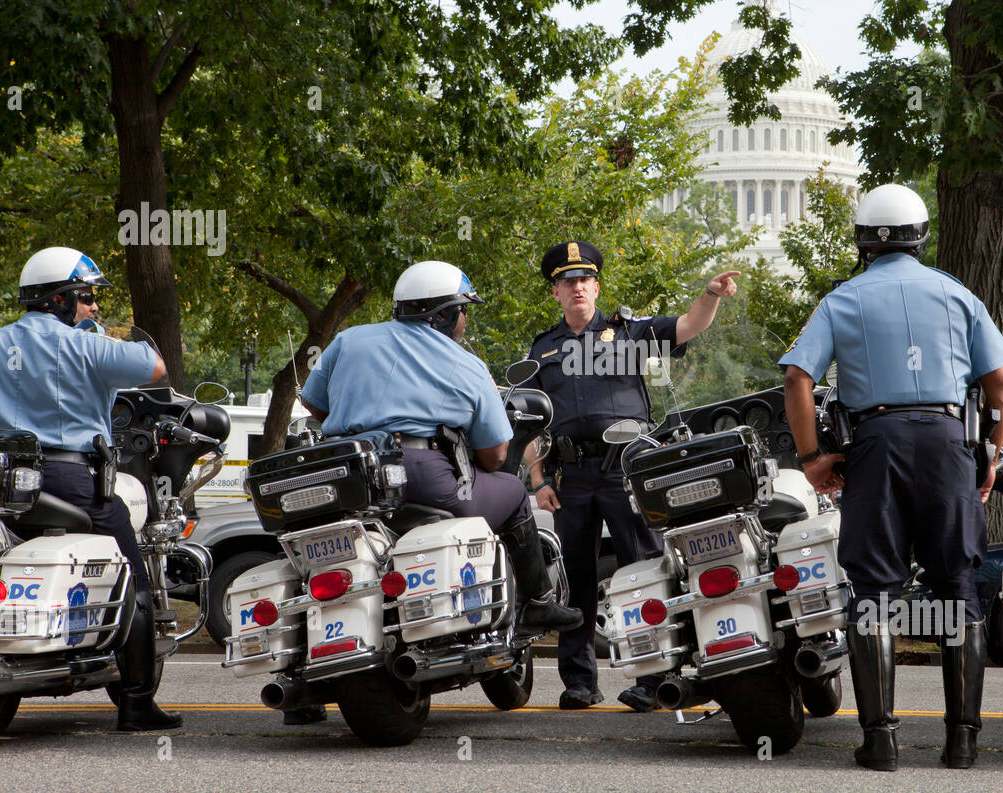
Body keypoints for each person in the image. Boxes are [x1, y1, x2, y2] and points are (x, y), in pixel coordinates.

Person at [780, 184, 1003, 771]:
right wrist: (988, 455)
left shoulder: (842, 299)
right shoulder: (958, 294)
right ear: (921, 236)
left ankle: (880, 741)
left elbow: (797, 381)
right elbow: (1001, 388)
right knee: (960, 586)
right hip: (947, 444)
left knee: (873, 594)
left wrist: (811, 458)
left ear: (862, 240)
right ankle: (962, 742)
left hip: (875, 446)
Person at [298, 260, 583, 636]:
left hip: (348, 478)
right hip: (419, 475)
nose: (466, 320)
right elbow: (496, 456)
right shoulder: (467, 365)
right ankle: (539, 603)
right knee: (513, 491)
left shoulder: (349, 339)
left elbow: (313, 402)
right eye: (463, 310)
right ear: (445, 314)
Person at [0, 247, 175, 731]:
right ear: (59, 300)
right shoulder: (87, 346)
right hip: (70, 479)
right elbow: (156, 368)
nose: (94, 307)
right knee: (134, 581)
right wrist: (97, 335)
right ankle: (138, 705)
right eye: (86, 297)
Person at [526, 239, 739, 711]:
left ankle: (654, 678)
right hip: (571, 478)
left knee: (643, 572)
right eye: (567, 282)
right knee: (576, 580)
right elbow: (528, 420)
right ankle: (580, 682)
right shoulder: (542, 349)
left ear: (596, 287)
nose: (577, 287)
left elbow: (687, 327)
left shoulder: (630, 332)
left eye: (584, 280)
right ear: (556, 293)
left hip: (624, 472)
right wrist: (538, 480)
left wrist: (710, 296)